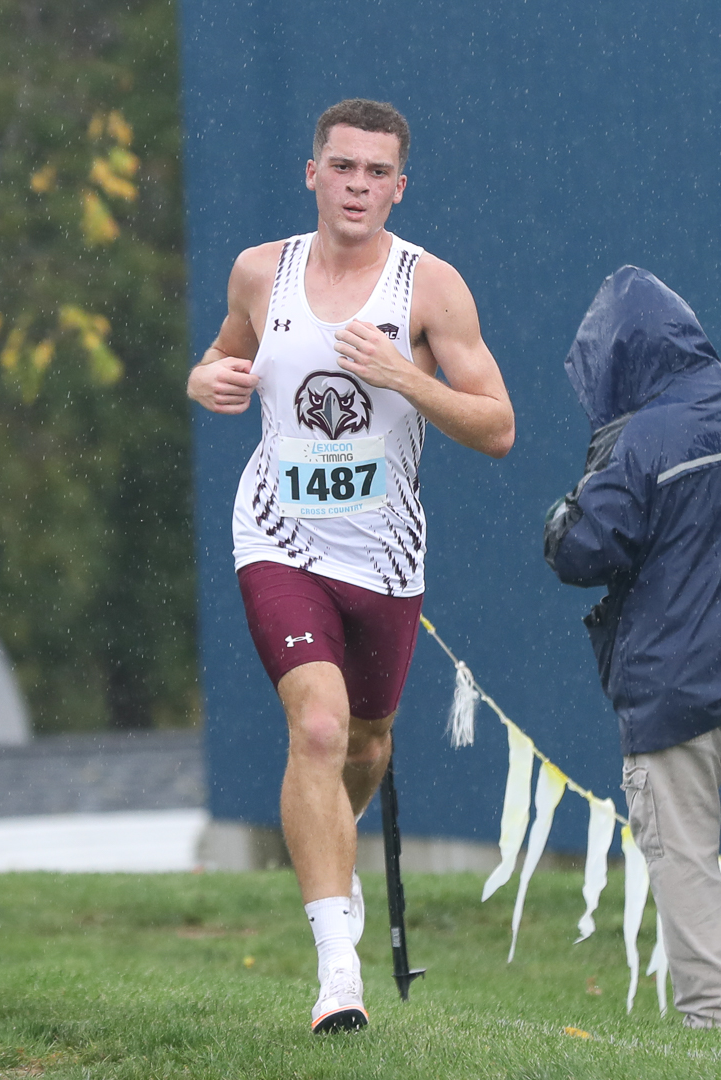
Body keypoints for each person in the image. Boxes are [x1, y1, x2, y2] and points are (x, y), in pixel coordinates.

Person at [186, 98, 513, 1033]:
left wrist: (403, 374)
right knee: (320, 728)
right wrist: (204, 379)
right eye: (342, 167)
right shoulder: (261, 271)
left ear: (399, 187)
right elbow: (220, 358)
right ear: (312, 174)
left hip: (384, 556)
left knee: (366, 744)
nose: (357, 186)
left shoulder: (430, 289)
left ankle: (335, 849)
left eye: (376, 172)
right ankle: (338, 969)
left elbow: (498, 426)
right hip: (278, 538)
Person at [544, 267, 721, 1035]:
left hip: (673, 682)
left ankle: (717, 1021)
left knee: (684, 860)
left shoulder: (642, 440)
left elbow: (580, 552)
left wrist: (573, 498)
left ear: (618, 360)